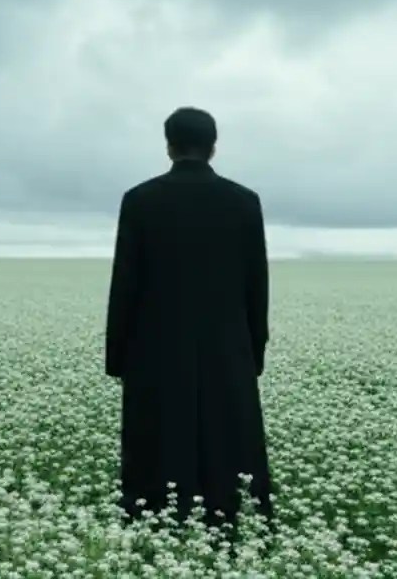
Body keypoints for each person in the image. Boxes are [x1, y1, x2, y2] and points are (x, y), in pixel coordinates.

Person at [105, 106, 273, 535]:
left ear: (168, 145)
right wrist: (254, 349)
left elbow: (125, 283)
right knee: (227, 437)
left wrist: (118, 356)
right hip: (227, 345)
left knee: (157, 438)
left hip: (154, 346)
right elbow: (257, 284)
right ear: (213, 147)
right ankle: (230, 519)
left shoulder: (139, 200)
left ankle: (153, 520)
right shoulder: (244, 201)